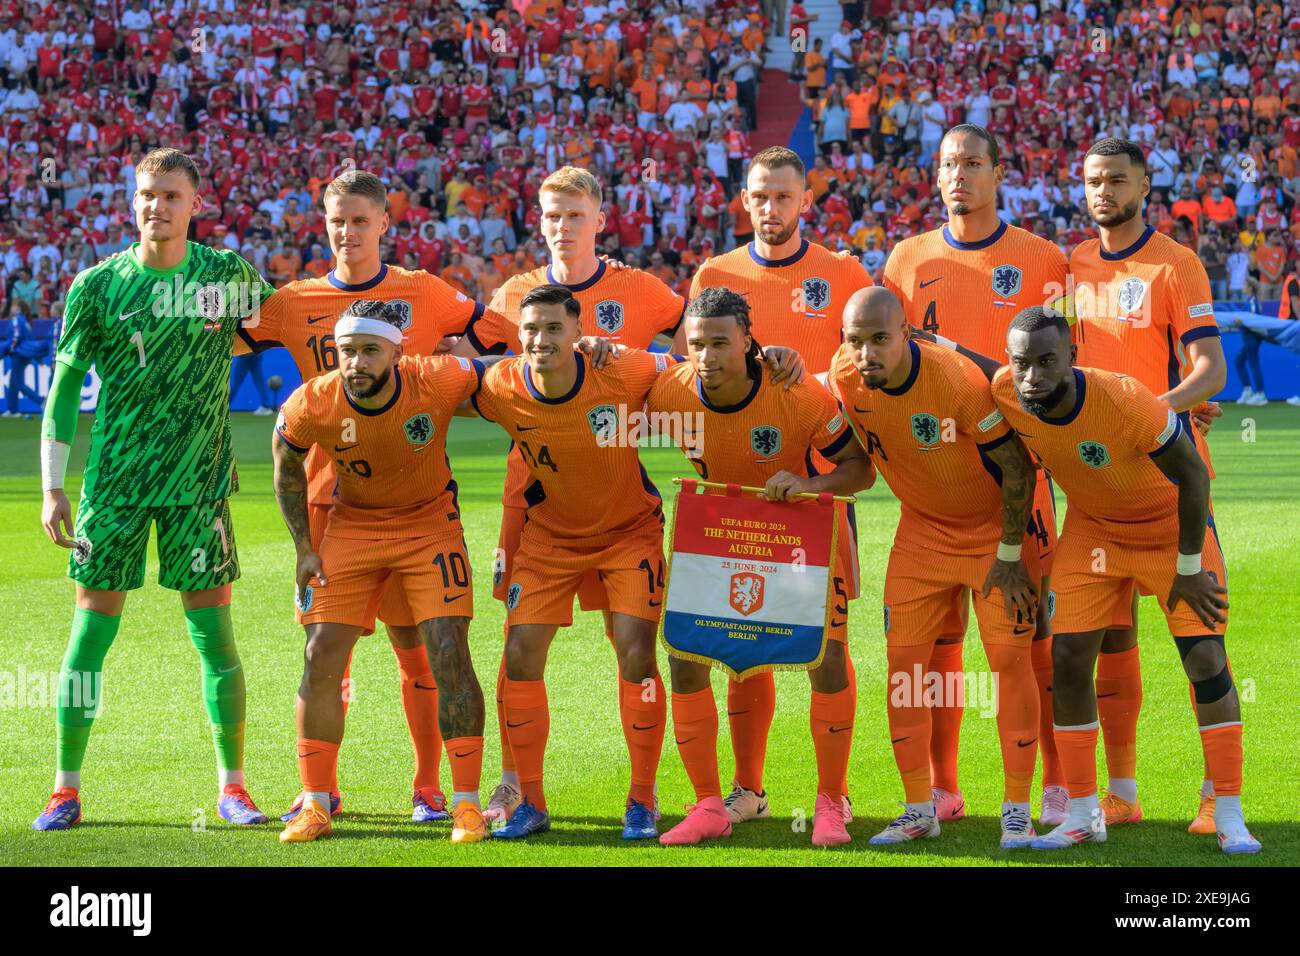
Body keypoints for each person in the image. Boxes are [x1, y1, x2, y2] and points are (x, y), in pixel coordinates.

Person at [238, 169, 497, 824]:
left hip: (413, 497)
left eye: (361, 220)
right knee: (325, 648)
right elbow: (215, 342)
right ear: (323, 225)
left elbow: (498, 340)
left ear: (385, 222)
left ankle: (431, 784)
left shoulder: (424, 292)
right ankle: (318, 791)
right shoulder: (291, 299)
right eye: (337, 221)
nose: (348, 233)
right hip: (329, 506)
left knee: (420, 647)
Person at [34, 148, 273, 830]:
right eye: (146, 194)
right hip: (113, 486)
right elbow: (62, 392)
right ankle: (64, 788)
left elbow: (279, 327)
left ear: (195, 204)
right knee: (89, 636)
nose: (156, 206)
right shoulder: (97, 286)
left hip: (198, 485)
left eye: (171, 195)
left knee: (215, 638)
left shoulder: (226, 275)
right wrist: (54, 488)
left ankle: (234, 788)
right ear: (131, 201)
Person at [453, 166, 686, 825]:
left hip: (617, 490)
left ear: (599, 218)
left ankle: (643, 797)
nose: (561, 226)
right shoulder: (515, 293)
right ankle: (517, 791)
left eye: (574, 215)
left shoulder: (640, 290)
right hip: (532, 499)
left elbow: (690, 351)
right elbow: (479, 374)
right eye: (550, 215)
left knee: (632, 644)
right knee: (518, 647)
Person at [992, 306, 1259, 855]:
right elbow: (965, 370)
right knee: (1067, 660)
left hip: (1168, 527)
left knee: (1205, 659)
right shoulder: (1005, 391)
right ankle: (1083, 814)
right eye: (1022, 363)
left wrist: (1187, 568)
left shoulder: (1123, 399)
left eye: (1047, 361)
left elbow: (1192, 475)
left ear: (1073, 357)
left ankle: (1229, 812)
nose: (1033, 377)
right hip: (1094, 531)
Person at [880, 124, 1070, 826]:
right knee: (929, 652)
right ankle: (941, 789)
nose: (960, 176)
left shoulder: (1042, 258)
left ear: (998, 173)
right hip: (931, 486)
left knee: (1034, 647)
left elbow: (1072, 359)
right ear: (936, 177)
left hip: (1017, 481)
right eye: (949, 165)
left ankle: (1052, 785)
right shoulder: (907, 258)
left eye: (973, 164)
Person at [686, 145, 874, 825]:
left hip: (818, 481)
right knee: (743, 645)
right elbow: (698, 362)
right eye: (759, 197)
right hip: (741, 493)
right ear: (744, 199)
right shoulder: (716, 272)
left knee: (827, 648)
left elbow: (865, 362)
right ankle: (748, 790)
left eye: (784, 197)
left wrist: (813, 379)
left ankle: (834, 797)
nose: (771, 209)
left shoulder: (843, 273)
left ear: (806, 201)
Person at [647, 288, 871, 847]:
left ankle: (831, 800)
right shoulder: (669, 393)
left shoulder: (795, 393)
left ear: (749, 342)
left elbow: (859, 469)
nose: (707, 356)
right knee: (693, 654)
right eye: (697, 344)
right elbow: (620, 378)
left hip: (801, 539)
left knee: (828, 659)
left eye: (721, 343)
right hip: (721, 540)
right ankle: (719, 802)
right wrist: (595, 348)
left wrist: (809, 484)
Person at [830, 287, 1043, 850]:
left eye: (879, 339)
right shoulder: (844, 378)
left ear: (907, 333)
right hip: (922, 533)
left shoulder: (956, 381)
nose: (865, 353)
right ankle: (919, 807)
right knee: (904, 670)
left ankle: (1018, 809)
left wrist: (1011, 554)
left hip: (994, 535)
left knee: (1008, 664)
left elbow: (1019, 466)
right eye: (855, 341)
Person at [271, 301, 490, 844]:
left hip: (429, 525)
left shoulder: (436, 378)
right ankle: (316, 803)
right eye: (349, 351)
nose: (357, 362)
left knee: (447, 649)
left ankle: (465, 804)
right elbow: (285, 463)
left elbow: (506, 371)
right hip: (352, 526)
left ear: (397, 351)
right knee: (321, 653)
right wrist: (304, 547)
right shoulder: (313, 400)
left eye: (371, 351)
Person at [1069, 137, 1228, 834]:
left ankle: (1219, 794)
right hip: (1096, 490)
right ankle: (1122, 793)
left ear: (1145, 186)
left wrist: (1158, 412)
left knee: (1200, 643)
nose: (1104, 191)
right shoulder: (1069, 264)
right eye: (1094, 181)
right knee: (1106, 640)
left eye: (1118, 180)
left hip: (1169, 481)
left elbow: (1211, 370)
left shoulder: (1176, 263)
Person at [229, 350, 273, 415]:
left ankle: (223, 406)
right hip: (257, 353)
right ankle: (266, 406)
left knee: (236, 383)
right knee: (259, 381)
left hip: (246, 353)